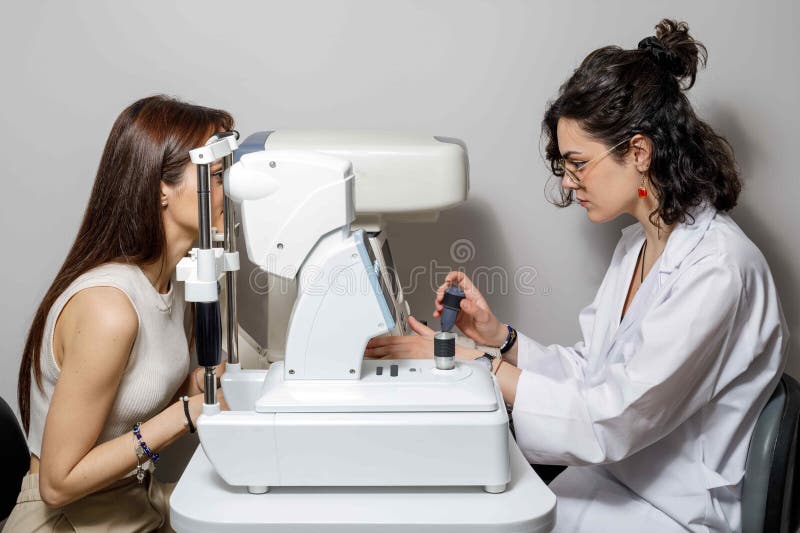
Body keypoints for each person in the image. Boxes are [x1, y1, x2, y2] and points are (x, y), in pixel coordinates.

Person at [366, 19, 789, 532]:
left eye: (578, 163)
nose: (568, 182)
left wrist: (473, 362)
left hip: (669, 514)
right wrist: (502, 340)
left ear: (638, 152)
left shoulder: (719, 269)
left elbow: (611, 421)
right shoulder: (639, 241)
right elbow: (595, 371)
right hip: (610, 486)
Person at [6, 95, 232, 532]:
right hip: (68, 517)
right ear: (161, 189)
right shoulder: (109, 308)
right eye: (217, 176)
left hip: (132, 499)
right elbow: (57, 483)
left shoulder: (178, 281)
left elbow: (137, 396)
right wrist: (186, 415)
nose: (229, 191)